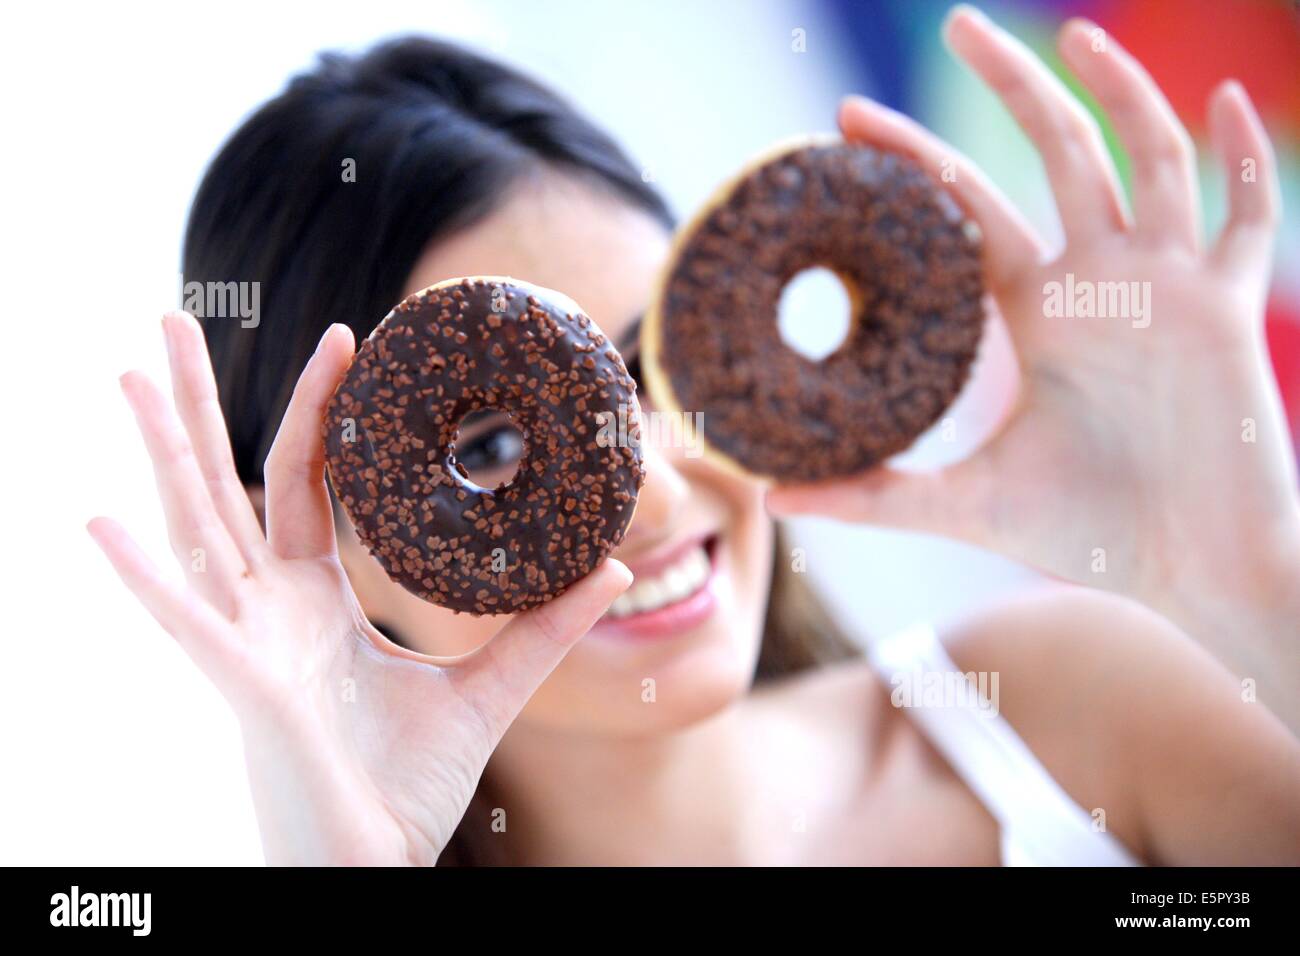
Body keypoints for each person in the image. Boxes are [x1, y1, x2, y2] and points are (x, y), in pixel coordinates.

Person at [87, 6, 1300, 865]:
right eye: (496, 447)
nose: (656, 495)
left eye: (647, 365)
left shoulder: (1066, 717)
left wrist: (1248, 584)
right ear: (294, 536)